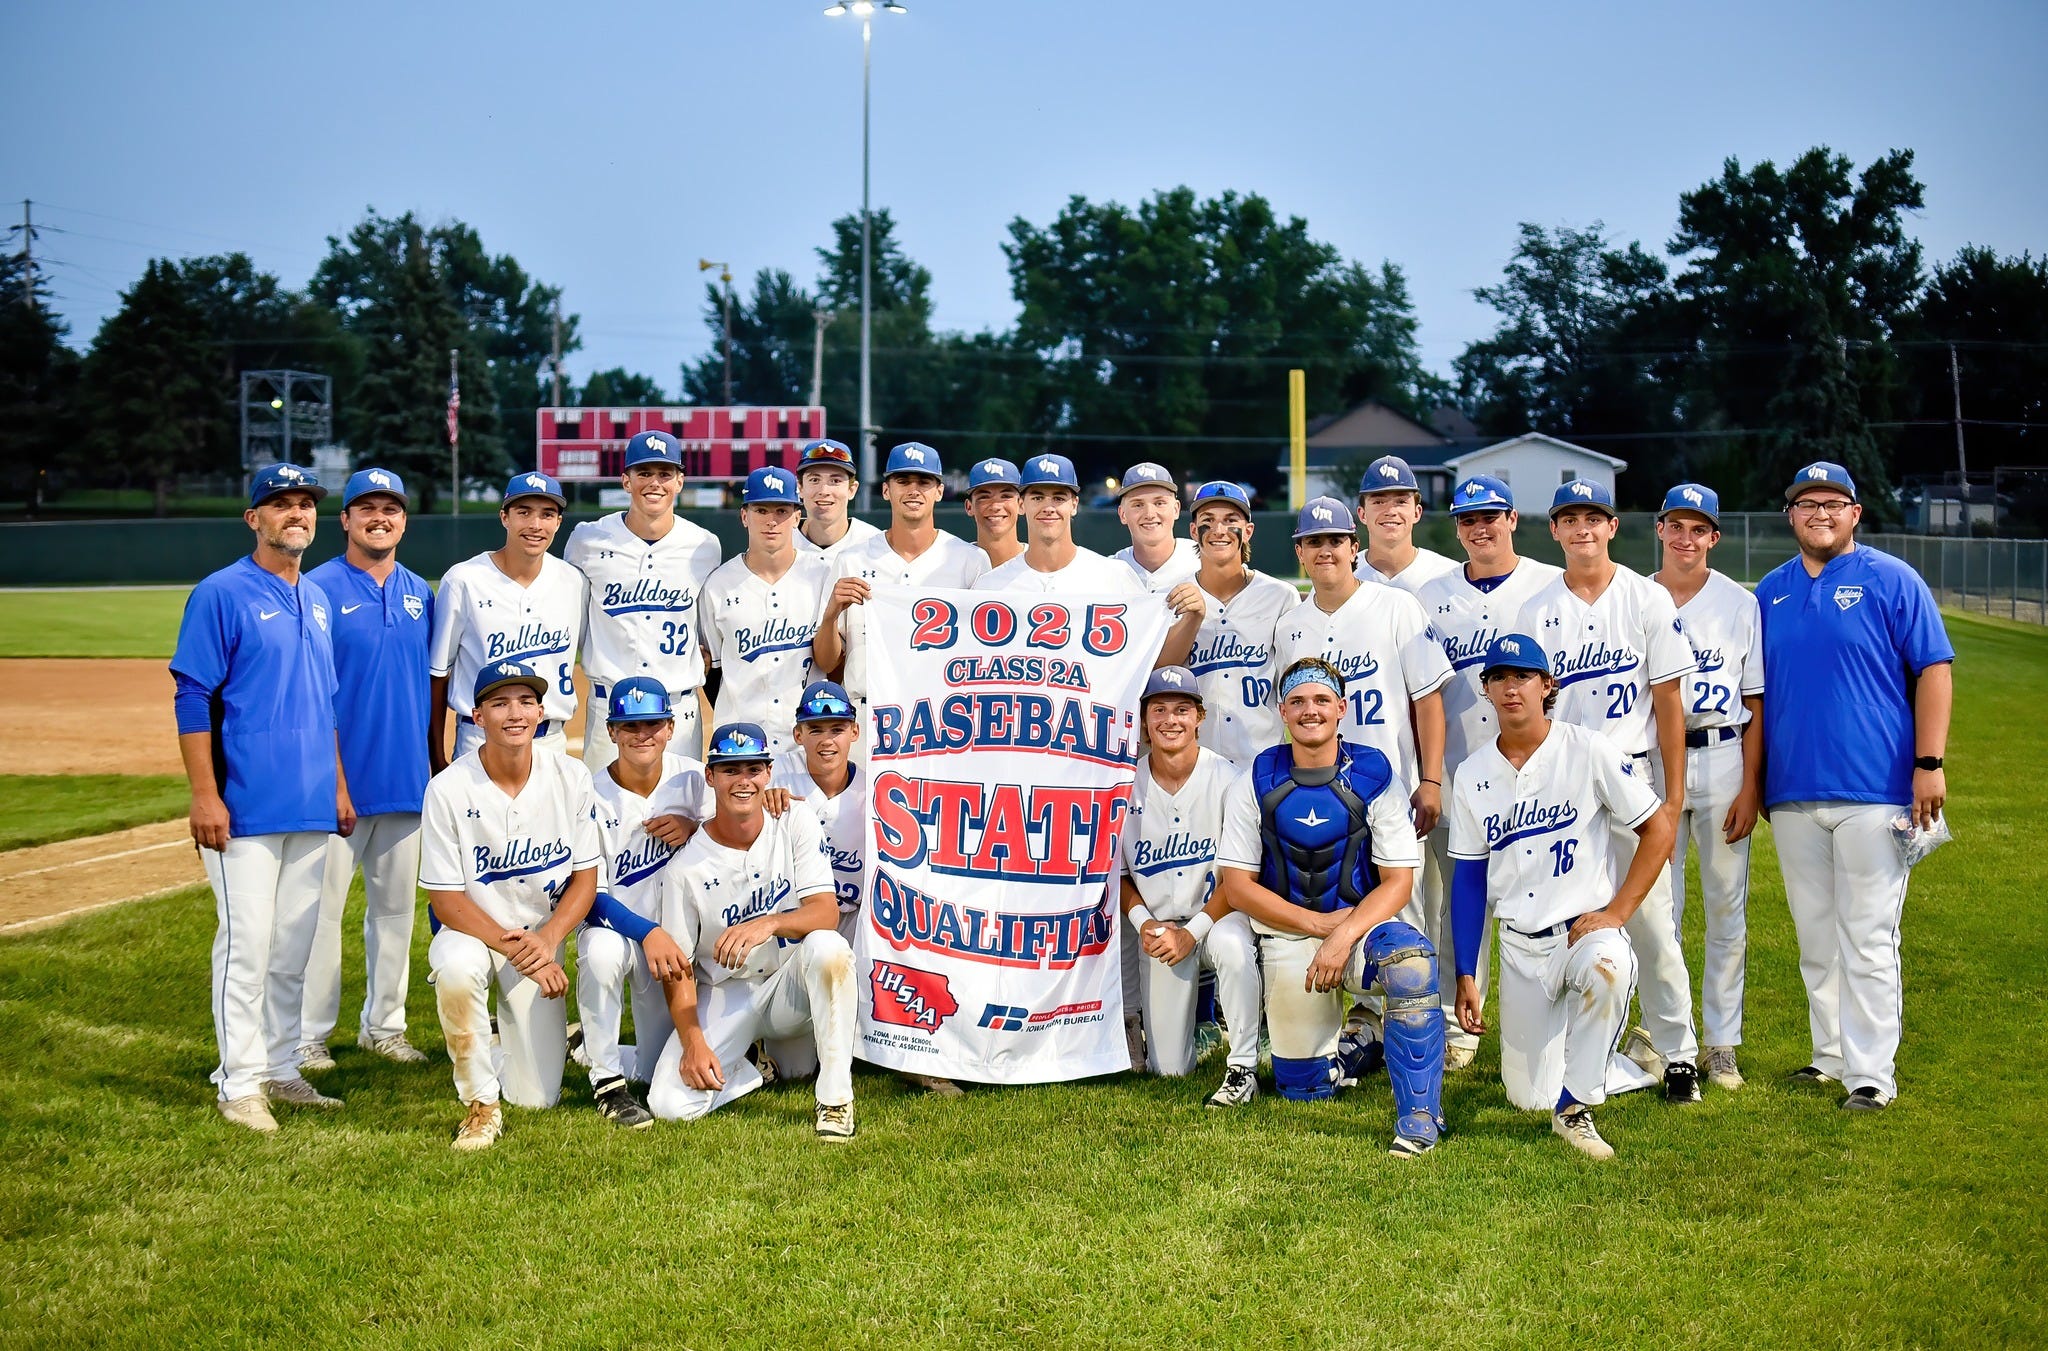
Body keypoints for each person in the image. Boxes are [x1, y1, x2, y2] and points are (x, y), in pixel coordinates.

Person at [1757, 461, 1953, 1111]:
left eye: (1833, 502)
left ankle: (1872, 1073)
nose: (1820, 512)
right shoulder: (1770, 591)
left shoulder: (1892, 579)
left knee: (1867, 934)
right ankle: (1830, 1054)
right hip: (1792, 792)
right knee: (1816, 935)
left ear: (1856, 513)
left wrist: (1930, 760)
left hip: (1876, 789)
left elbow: (1933, 668)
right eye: (1807, 503)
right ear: (1790, 515)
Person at [171, 463, 352, 1134]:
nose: (295, 512)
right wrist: (203, 793)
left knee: (291, 947)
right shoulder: (221, 592)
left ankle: (280, 1065)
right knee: (246, 944)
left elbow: (324, 702)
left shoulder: (319, 597)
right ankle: (238, 1080)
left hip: (308, 802)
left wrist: (335, 784)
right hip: (242, 804)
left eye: (304, 503)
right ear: (254, 518)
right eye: (280, 503)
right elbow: (192, 693)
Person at [1447, 635, 1676, 1160]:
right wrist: (1465, 971)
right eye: (1499, 678)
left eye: (1523, 676)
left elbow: (1658, 829)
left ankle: (1576, 1112)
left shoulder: (1587, 748)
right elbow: (1468, 878)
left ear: (1547, 685)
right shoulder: (1473, 773)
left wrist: (1617, 912)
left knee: (1610, 968)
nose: (1511, 689)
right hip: (1520, 945)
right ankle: (1634, 1061)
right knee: (1529, 1098)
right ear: (1486, 690)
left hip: (1581, 932)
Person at [1518, 478, 1703, 1102]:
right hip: (1564, 784)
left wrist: (1672, 799)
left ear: (1613, 526)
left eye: (1592, 518)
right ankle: (1578, 1048)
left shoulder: (1647, 600)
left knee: (1650, 922)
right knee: (1571, 916)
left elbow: (1670, 703)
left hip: (1630, 774)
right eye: (1569, 520)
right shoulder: (1537, 608)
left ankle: (1677, 1051)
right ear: (1555, 531)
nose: (1582, 530)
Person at [1215, 657, 1444, 1156]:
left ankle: (1420, 1118)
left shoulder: (1374, 772)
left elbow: (1398, 882)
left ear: (1342, 708)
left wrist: (1341, 937)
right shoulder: (1256, 777)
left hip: (1358, 930)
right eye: (1297, 701)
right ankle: (1358, 1048)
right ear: (1282, 711)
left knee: (1411, 967)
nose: (1310, 710)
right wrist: (1317, 926)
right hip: (1290, 934)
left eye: (1321, 700)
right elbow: (1237, 887)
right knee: (1302, 1088)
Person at [418, 660, 602, 1151]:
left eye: (525, 701)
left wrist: (546, 941)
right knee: (456, 970)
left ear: (542, 711)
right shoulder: (447, 789)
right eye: (499, 703)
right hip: (475, 933)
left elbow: (586, 879)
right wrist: (520, 950)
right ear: (477, 717)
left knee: (539, 1097)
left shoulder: (570, 776)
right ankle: (480, 1105)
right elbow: (445, 898)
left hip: (540, 936)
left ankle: (491, 1042)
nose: (514, 713)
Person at [646, 723, 859, 1140]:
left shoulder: (795, 819)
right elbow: (680, 968)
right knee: (670, 1105)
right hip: (726, 992)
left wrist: (769, 923)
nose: (743, 781)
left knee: (829, 949)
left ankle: (835, 1101)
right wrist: (693, 1042)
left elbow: (825, 913)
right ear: (711, 777)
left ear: (768, 773)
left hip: (786, 981)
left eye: (753, 769)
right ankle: (750, 1068)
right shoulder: (684, 869)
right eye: (730, 770)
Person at [1415, 474, 1562, 1068]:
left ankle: (1556, 1016)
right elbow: (1422, 692)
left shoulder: (1547, 587)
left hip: (1538, 767)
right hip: (1461, 771)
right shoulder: (1432, 594)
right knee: (1459, 901)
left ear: (1512, 521)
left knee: (1548, 898)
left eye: (1491, 516)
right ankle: (1459, 1026)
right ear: (1457, 528)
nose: (1481, 527)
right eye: (1469, 519)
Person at [300, 468, 435, 1072]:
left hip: (405, 781)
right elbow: (310, 694)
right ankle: (307, 1034)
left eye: (392, 508)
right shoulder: (316, 588)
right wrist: (331, 781)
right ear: (346, 520)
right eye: (367, 508)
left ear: (404, 520)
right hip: (339, 788)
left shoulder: (420, 593)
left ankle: (384, 1026)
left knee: (393, 916)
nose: (380, 517)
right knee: (321, 917)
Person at [1651, 483, 1764, 1090]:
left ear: (1714, 537)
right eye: (1677, 526)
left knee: (1725, 905)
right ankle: (1670, 1040)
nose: (1686, 539)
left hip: (1721, 754)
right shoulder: (1637, 595)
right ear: (1660, 530)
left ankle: (1722, 1042)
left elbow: (1754, 700)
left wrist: (1750, 785)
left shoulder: (1739, 603)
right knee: (1658, 908)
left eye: (1699, 529)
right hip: (1654, 761)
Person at [1118, 667, 1262, 1106]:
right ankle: (1196, 1029)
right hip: (1161, 928)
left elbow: (1242, 877)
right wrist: (1143, 923)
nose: (1170, 720)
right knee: (1170, 1071)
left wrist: (1193, 931)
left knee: (1234, 949)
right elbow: (1119, 874)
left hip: (1219, 916)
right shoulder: (1123, 785)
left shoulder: (1231, 779)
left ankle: (1244, 1065)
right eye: (1158, 710)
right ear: (1144, 721)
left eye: (1182, 710)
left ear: (1200, 716)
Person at [573, 677, 712, 1129]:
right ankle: (607, 1080)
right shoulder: (588, 793)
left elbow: (734, 848)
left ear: (671, 727)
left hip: (680, 944)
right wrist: (647, 932)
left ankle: (593, 1047)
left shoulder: (694, 779)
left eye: (651, 723)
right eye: (628, 726)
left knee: (658, 1073)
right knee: (599, 951)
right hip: (625, 935)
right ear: (610, 732)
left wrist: (696, 832)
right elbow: (586, 895)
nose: (641, 735)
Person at [565, 429, 723, 767]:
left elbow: (708, 626)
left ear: (680, 482)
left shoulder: (704, 546)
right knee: (603, 813)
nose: (655, 483)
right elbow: (572, 622)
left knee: (680, 815)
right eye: (644, 473)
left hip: (678, 710)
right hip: (610, 707)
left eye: (665, 474)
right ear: (626, 481)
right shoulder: (587, 541)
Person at [813, 442, 989, 732]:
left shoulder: (969, 561)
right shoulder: (852, 560)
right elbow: (826, 660)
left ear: (939, 491)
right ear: (886, 490)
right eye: (903, 481)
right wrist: (831, 615)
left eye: (924, 481)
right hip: (868, 715)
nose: (913, 490)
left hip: (944, 717)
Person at [429, 472, 586, 767]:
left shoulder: (572, 580)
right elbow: (438, 674)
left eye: (547, 514)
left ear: (558, 522)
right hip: (480, 740)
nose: (535, 525)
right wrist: (436, 756)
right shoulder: (464, 580)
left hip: (552, 743)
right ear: (504, 517)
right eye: (523, 512)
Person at [1163, 481, 1297, 767]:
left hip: (1262, 760)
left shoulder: (1279, 596)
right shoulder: (1174, 596)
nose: (1219, 530)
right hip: (1194, 762)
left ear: (1247, 531)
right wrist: (1191, 619)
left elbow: (1295, 684)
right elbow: (1161, 673)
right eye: (1207, 521)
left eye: (1230, 520)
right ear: (1192, 531)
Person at [698, 467, 830, 755]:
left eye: (782, 510)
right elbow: (714, 673)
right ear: (744, 516)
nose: (772, 521)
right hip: (739, 743)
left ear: (797, 517)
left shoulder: (822, 575)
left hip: (807, 740)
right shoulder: (718, 585)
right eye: (761, 510)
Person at [1354, 456, 1460, 594]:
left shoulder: (1448, 575)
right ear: (1362, 514)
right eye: (1379, 502)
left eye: (1401, 502)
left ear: (1417, 513)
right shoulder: (1345, 576)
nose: (1390, 511)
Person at [793, 438, 882, 568]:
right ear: (800, 488)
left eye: (835, 481)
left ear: (852, 489)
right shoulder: (780, 541)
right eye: (814, 480)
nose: (824, 491)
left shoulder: (875, 545)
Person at [1113, 461, 1200, 592]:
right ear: (1122, 514)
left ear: (1176, 509)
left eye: (1159, 503)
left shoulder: (1203, 562)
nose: (1149, 514)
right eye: (1138, 505)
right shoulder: (1111, 570)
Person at [962, 457, 1024, 569]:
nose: (995, 506)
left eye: (1006, 496)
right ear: (969, 507)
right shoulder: (954, 564)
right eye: (984, 497)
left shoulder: (1039, 564)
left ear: (1021, 505)